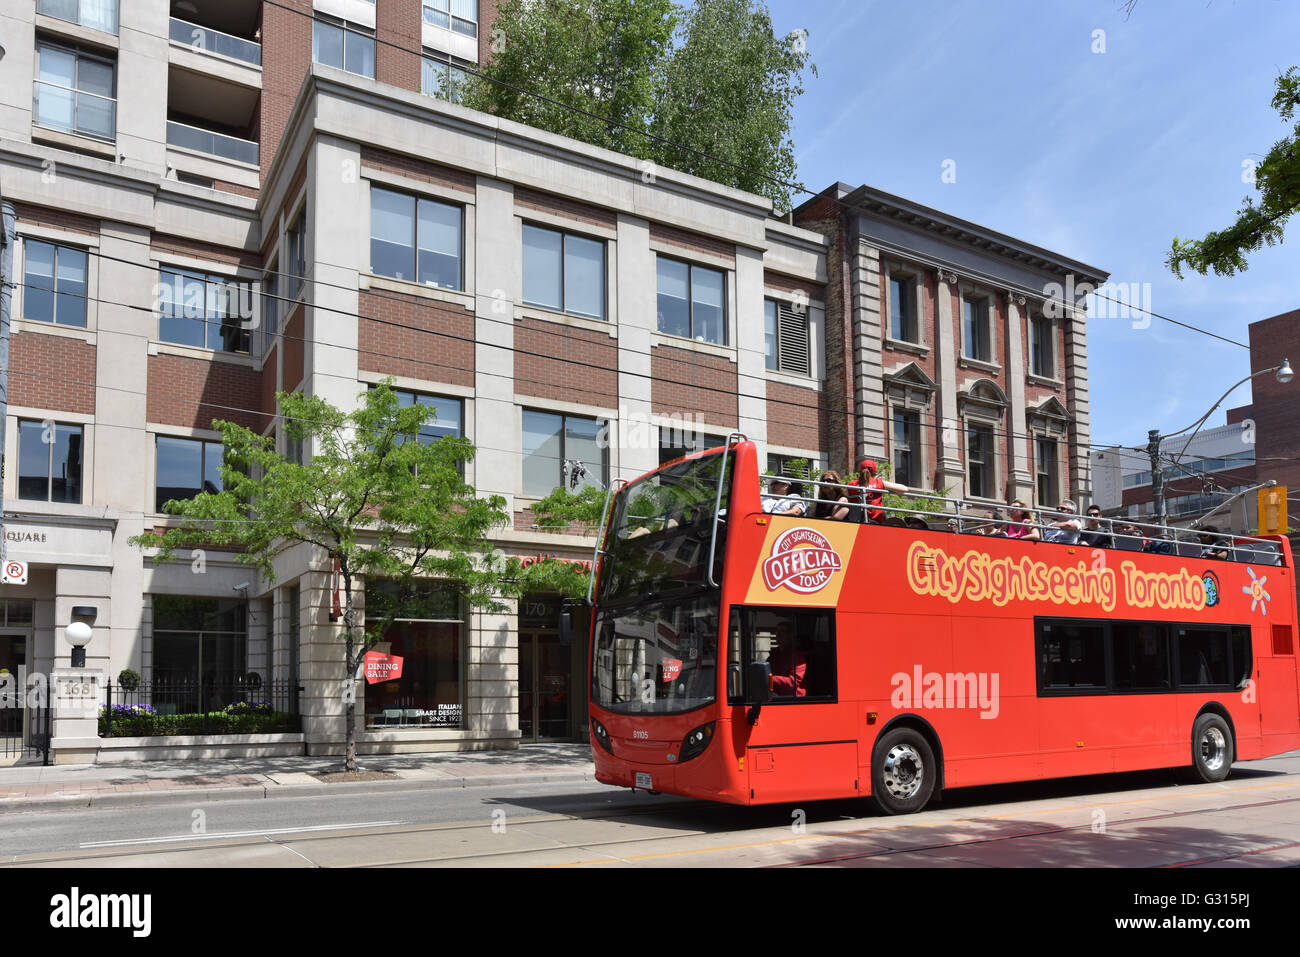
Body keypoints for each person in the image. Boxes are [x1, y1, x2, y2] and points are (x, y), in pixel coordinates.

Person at [850, 458, 909, 524]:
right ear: (875, 472)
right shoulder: (878, 483)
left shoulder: (852, 484)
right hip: (875, 521)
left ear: (860, 471)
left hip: (855, 521)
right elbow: (904, 489)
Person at [767, 622, 807, 697]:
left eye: (782, 631)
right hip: (776, 695)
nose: (778, 634)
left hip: (793, 699)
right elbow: (766, 671)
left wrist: (770, 679)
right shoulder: (774, 655)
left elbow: (793, 682)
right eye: (777, 631)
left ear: (790, 635)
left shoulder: (797, 656)